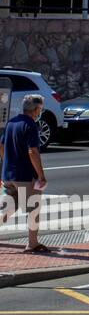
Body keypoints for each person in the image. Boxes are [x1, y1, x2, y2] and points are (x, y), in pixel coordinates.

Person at [1, 94, 50, 254]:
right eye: (40, 109)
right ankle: (32, 243)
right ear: (35, 109)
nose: (40, 112)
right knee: (33, 208)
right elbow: (32, 151)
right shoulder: (30, 125)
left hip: (8, 175)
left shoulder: (11, 123)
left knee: (9, 207)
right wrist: (41, 175)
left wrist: (7, 163)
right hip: (24, 175)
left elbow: (1, 145)